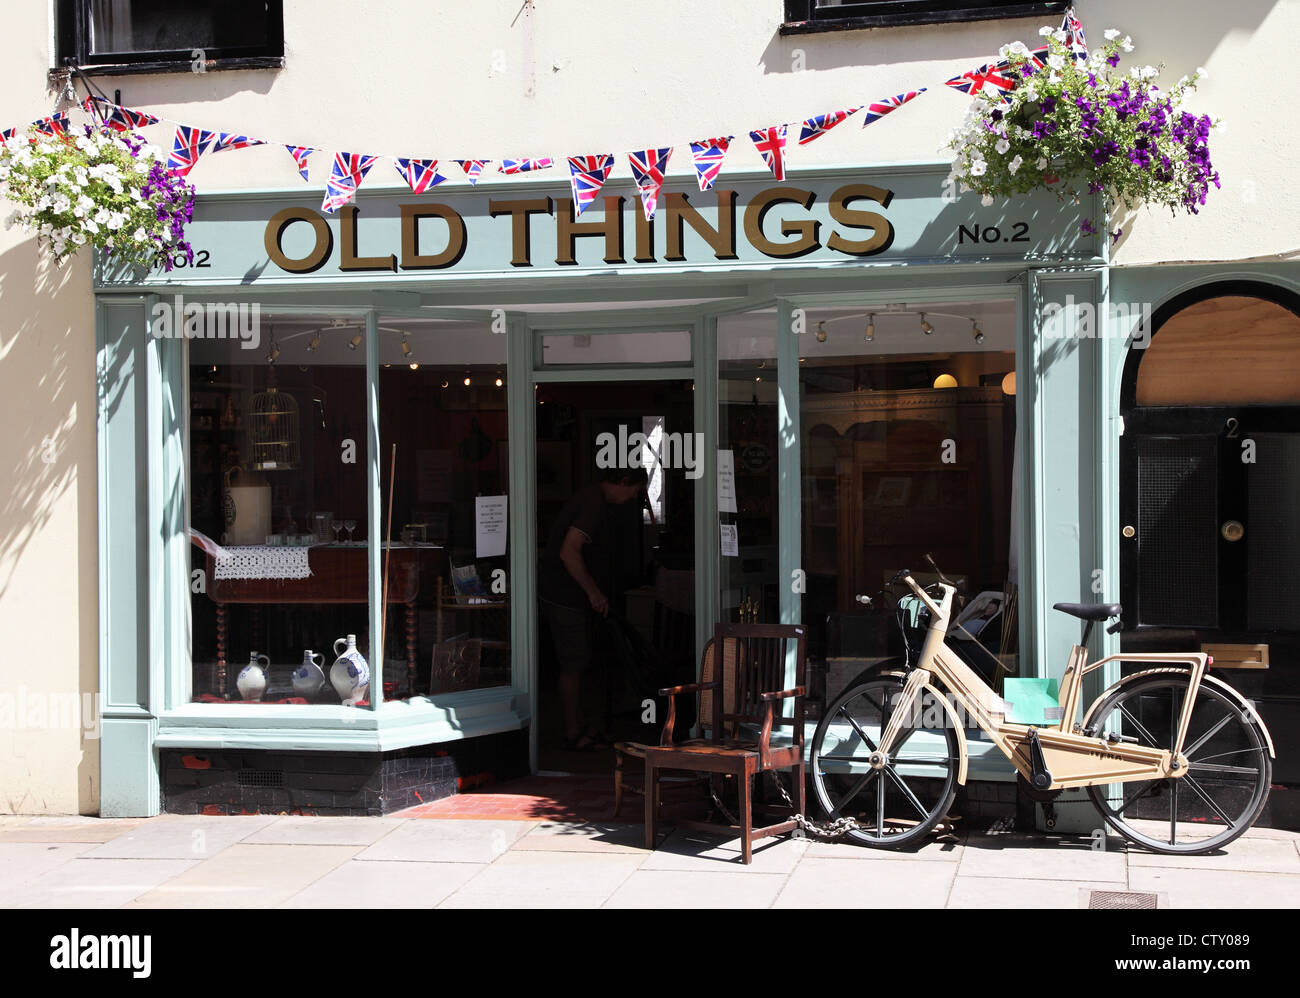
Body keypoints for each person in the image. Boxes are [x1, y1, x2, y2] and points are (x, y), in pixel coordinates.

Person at [539, 465, 648, 751]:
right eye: (635, 492)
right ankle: (573, 732)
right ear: (624, 482)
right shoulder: (593, 504)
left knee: (580, 660)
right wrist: (594, 593)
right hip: (566, 596)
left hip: (568, 596)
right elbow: (569, 551)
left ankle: (580, 724)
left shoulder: (591, 499)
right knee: (574, 662)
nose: (633, 499)